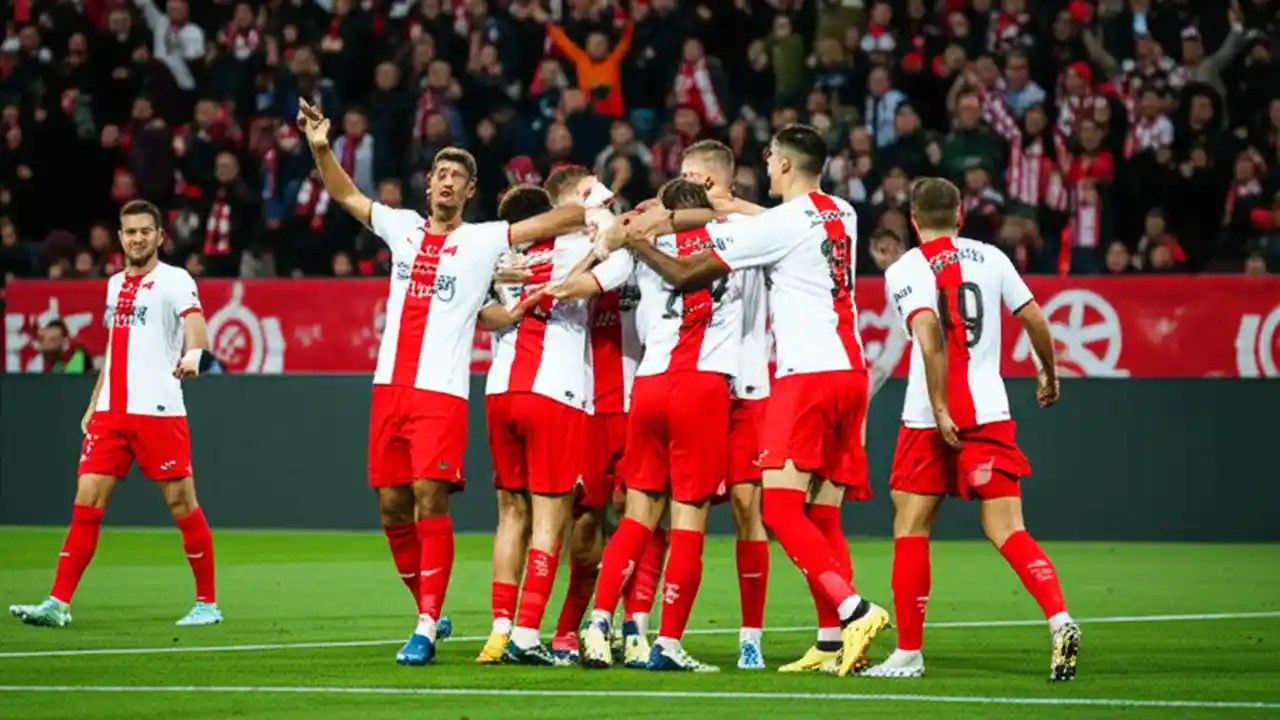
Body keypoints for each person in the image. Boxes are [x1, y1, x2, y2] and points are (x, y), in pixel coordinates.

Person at [295, 97, 595, 666]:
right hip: (389, 388)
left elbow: (556, 221)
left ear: (470, 190)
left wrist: (586, 207)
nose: (448, 182)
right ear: (428, 183)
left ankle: (426, 625)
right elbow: (345, 195)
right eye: (441, 174)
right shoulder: (401, 227)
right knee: (391, 505)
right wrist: (320, 147)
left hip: (440, 394)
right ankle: (426, 606)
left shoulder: (484, 240)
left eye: (458, 176)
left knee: (429, 496)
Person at [596, 123, 889, 677]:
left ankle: (854, 610)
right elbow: (752, 214)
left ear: (784, 164)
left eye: (772, 158)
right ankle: (831, 642)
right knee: (823, 513)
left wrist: (637, 237)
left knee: (778, 508)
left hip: (806, 378)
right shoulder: (844, 212)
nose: (767, 165)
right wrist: (723, 204)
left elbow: (687, 271)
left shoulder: (775, 227)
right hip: (852, 372)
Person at [866, 177, 1078, 680]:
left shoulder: (905, 267)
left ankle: (908, 653)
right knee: (1009, 529)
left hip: (926, 415)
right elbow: (1035, 319)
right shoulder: (992, 257)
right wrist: (1048, 374)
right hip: (989, 412)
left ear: (913, 221)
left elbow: (929, 333)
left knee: (911, 529)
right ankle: (1059, 618)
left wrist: (941, 406)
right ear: (960, 215)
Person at [557, 178, 744, 672]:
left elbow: (589, 277)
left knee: (637, 517)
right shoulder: (733, 235)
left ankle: (598, 623)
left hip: (649, 386)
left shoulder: (641, 245)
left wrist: (622, 232)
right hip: (702, 386)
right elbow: (765, 221)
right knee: (687, 521)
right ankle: (668, 643)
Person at [9, 200, 220, 628]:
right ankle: (57, 603)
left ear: (159, 236)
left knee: (182, 503)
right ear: (120, 238)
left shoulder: (175, 280)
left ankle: (206, 603)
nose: (137, 238)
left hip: (158, 410)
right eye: (130, 232)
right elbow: (114, 348)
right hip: (111, 413)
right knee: (86, 500)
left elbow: (196, 327)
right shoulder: (114, 285)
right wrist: (94, 401)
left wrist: (195, 355)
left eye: (145, 231)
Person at [476, 175, 610, 666]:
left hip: (500, 390)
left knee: (510, 514)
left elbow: (483, 315)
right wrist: (594, 200)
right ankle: (529, 634)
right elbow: (604, 219)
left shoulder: (496, 258)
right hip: (554, 392)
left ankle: (499, 629)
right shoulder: (573, 244)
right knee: (550, 521)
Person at [677, 139, 771, 670]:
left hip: (746, 389)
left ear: (711, 182)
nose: (679, 184)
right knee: (676, 508)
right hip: (692, 386)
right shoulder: (672, 230)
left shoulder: (754, 230)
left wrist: (730, 206)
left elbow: (790, 222)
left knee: (746, 508)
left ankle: (750, 635)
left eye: (688, 176)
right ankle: (654, 630)